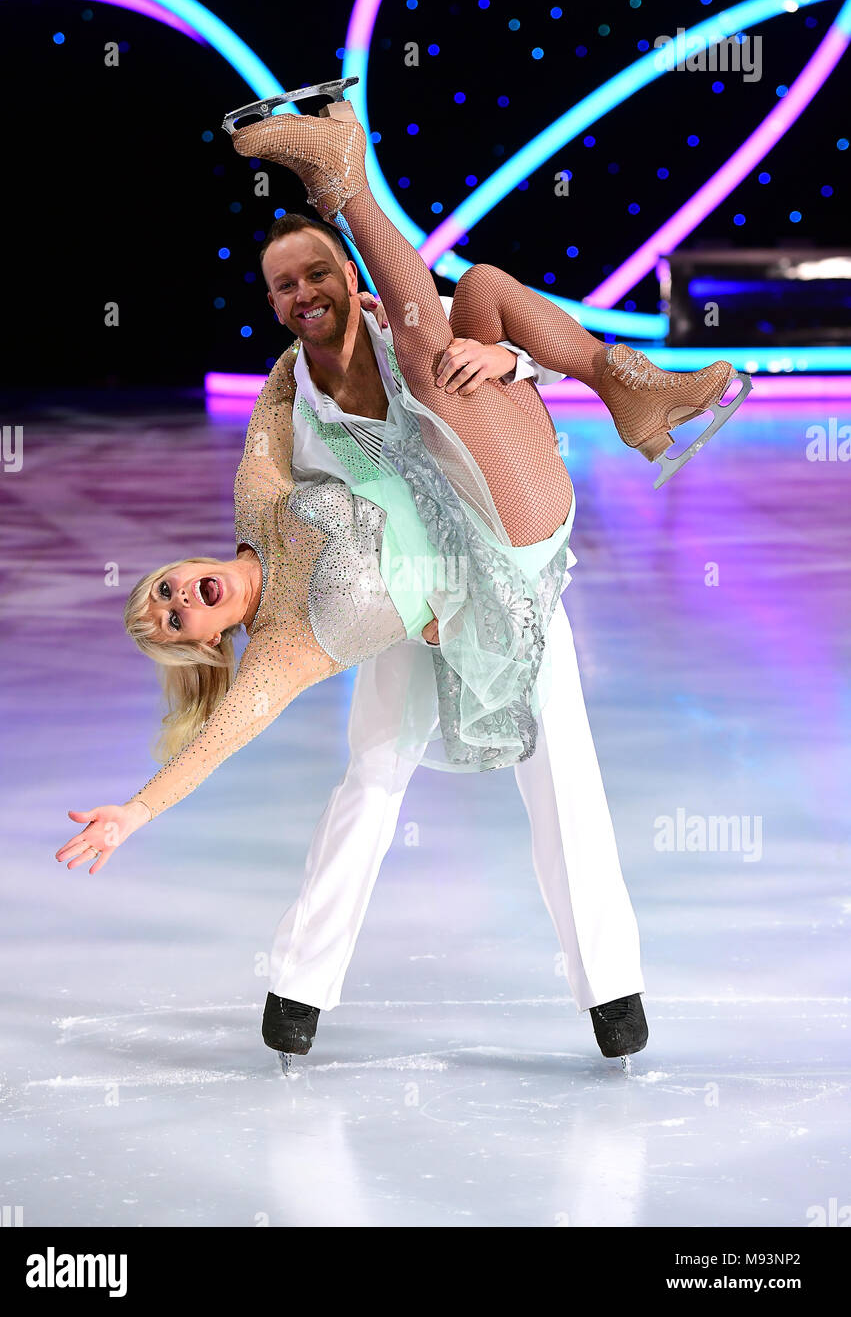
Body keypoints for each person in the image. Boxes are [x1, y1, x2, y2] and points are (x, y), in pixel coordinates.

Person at [55, 86, 744, 1066]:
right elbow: (226, 730)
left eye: (311, 275)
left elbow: (479, 359)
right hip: (413, 616)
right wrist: (136, 807)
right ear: (202, 640)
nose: (301, 297)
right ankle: (298, 987)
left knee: (563, 779)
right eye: (169, 617)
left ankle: (611, 993)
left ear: (339, 273)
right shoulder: (284, 622)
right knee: (372, 779)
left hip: (497, 532)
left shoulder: (307, 429)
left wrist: (506, 369)